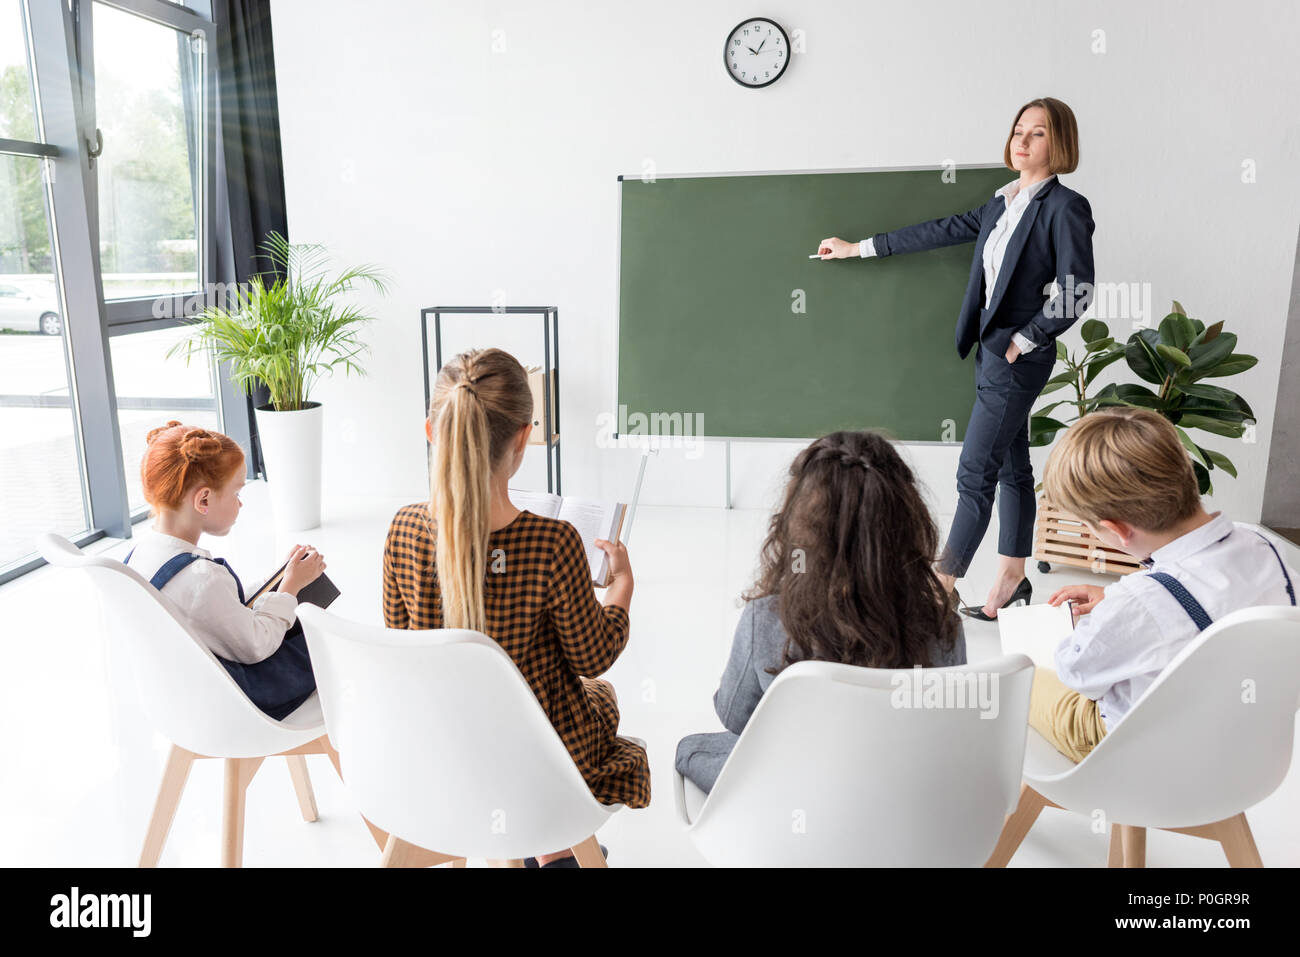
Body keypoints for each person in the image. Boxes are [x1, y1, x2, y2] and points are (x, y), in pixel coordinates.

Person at [818, 97, 1095, 620]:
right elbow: (939, 230)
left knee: (974, 470)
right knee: (1012, 468)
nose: (1021, 140)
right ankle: (1011, 582)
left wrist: (1025, 340)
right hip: (991, 355)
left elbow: (1077, 289)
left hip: (1016, 357)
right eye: (1017, 130)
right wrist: (859, 248)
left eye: (1036, 133)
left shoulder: (1065, 207)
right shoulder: (1000, 204)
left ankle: (941, 584)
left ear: (1057, 144)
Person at [382, 347, 648, 867]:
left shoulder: (404, 527)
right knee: (599, 697)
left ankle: (543, 848)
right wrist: (621, 587)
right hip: (535, 763)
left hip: (437, 743)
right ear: (525, 437)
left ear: (433, 431)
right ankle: (554, 850)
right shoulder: (554, 542)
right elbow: (591, 657)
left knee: (527, 726)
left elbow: (399, 638)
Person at [675, 430, 967, 794]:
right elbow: (944, 726)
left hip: (795, 791)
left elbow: (735, 718)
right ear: (907, 521)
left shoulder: (765, 617)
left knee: (689, 749)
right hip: (899, 798)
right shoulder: (942, 624)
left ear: (798, 525)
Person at [1033, 407, 1298, 762]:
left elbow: (1079, 675)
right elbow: (1207, 596)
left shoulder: (1138, 601)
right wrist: (1116, 598)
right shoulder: (1265, 545)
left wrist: (1109, 616)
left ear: (1117, 531)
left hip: (1146, 754)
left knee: (1025, 677)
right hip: (1247, 744)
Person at [124, 421, 325, 720]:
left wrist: (282, 578)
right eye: (236, 493)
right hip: (235, 705)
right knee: (325, 642)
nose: (241, 504)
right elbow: (257, 644)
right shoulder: (201, 578)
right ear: (203, 499)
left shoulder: (139, 556)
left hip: (180, 696)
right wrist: (290, 590)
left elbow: (217, 610)